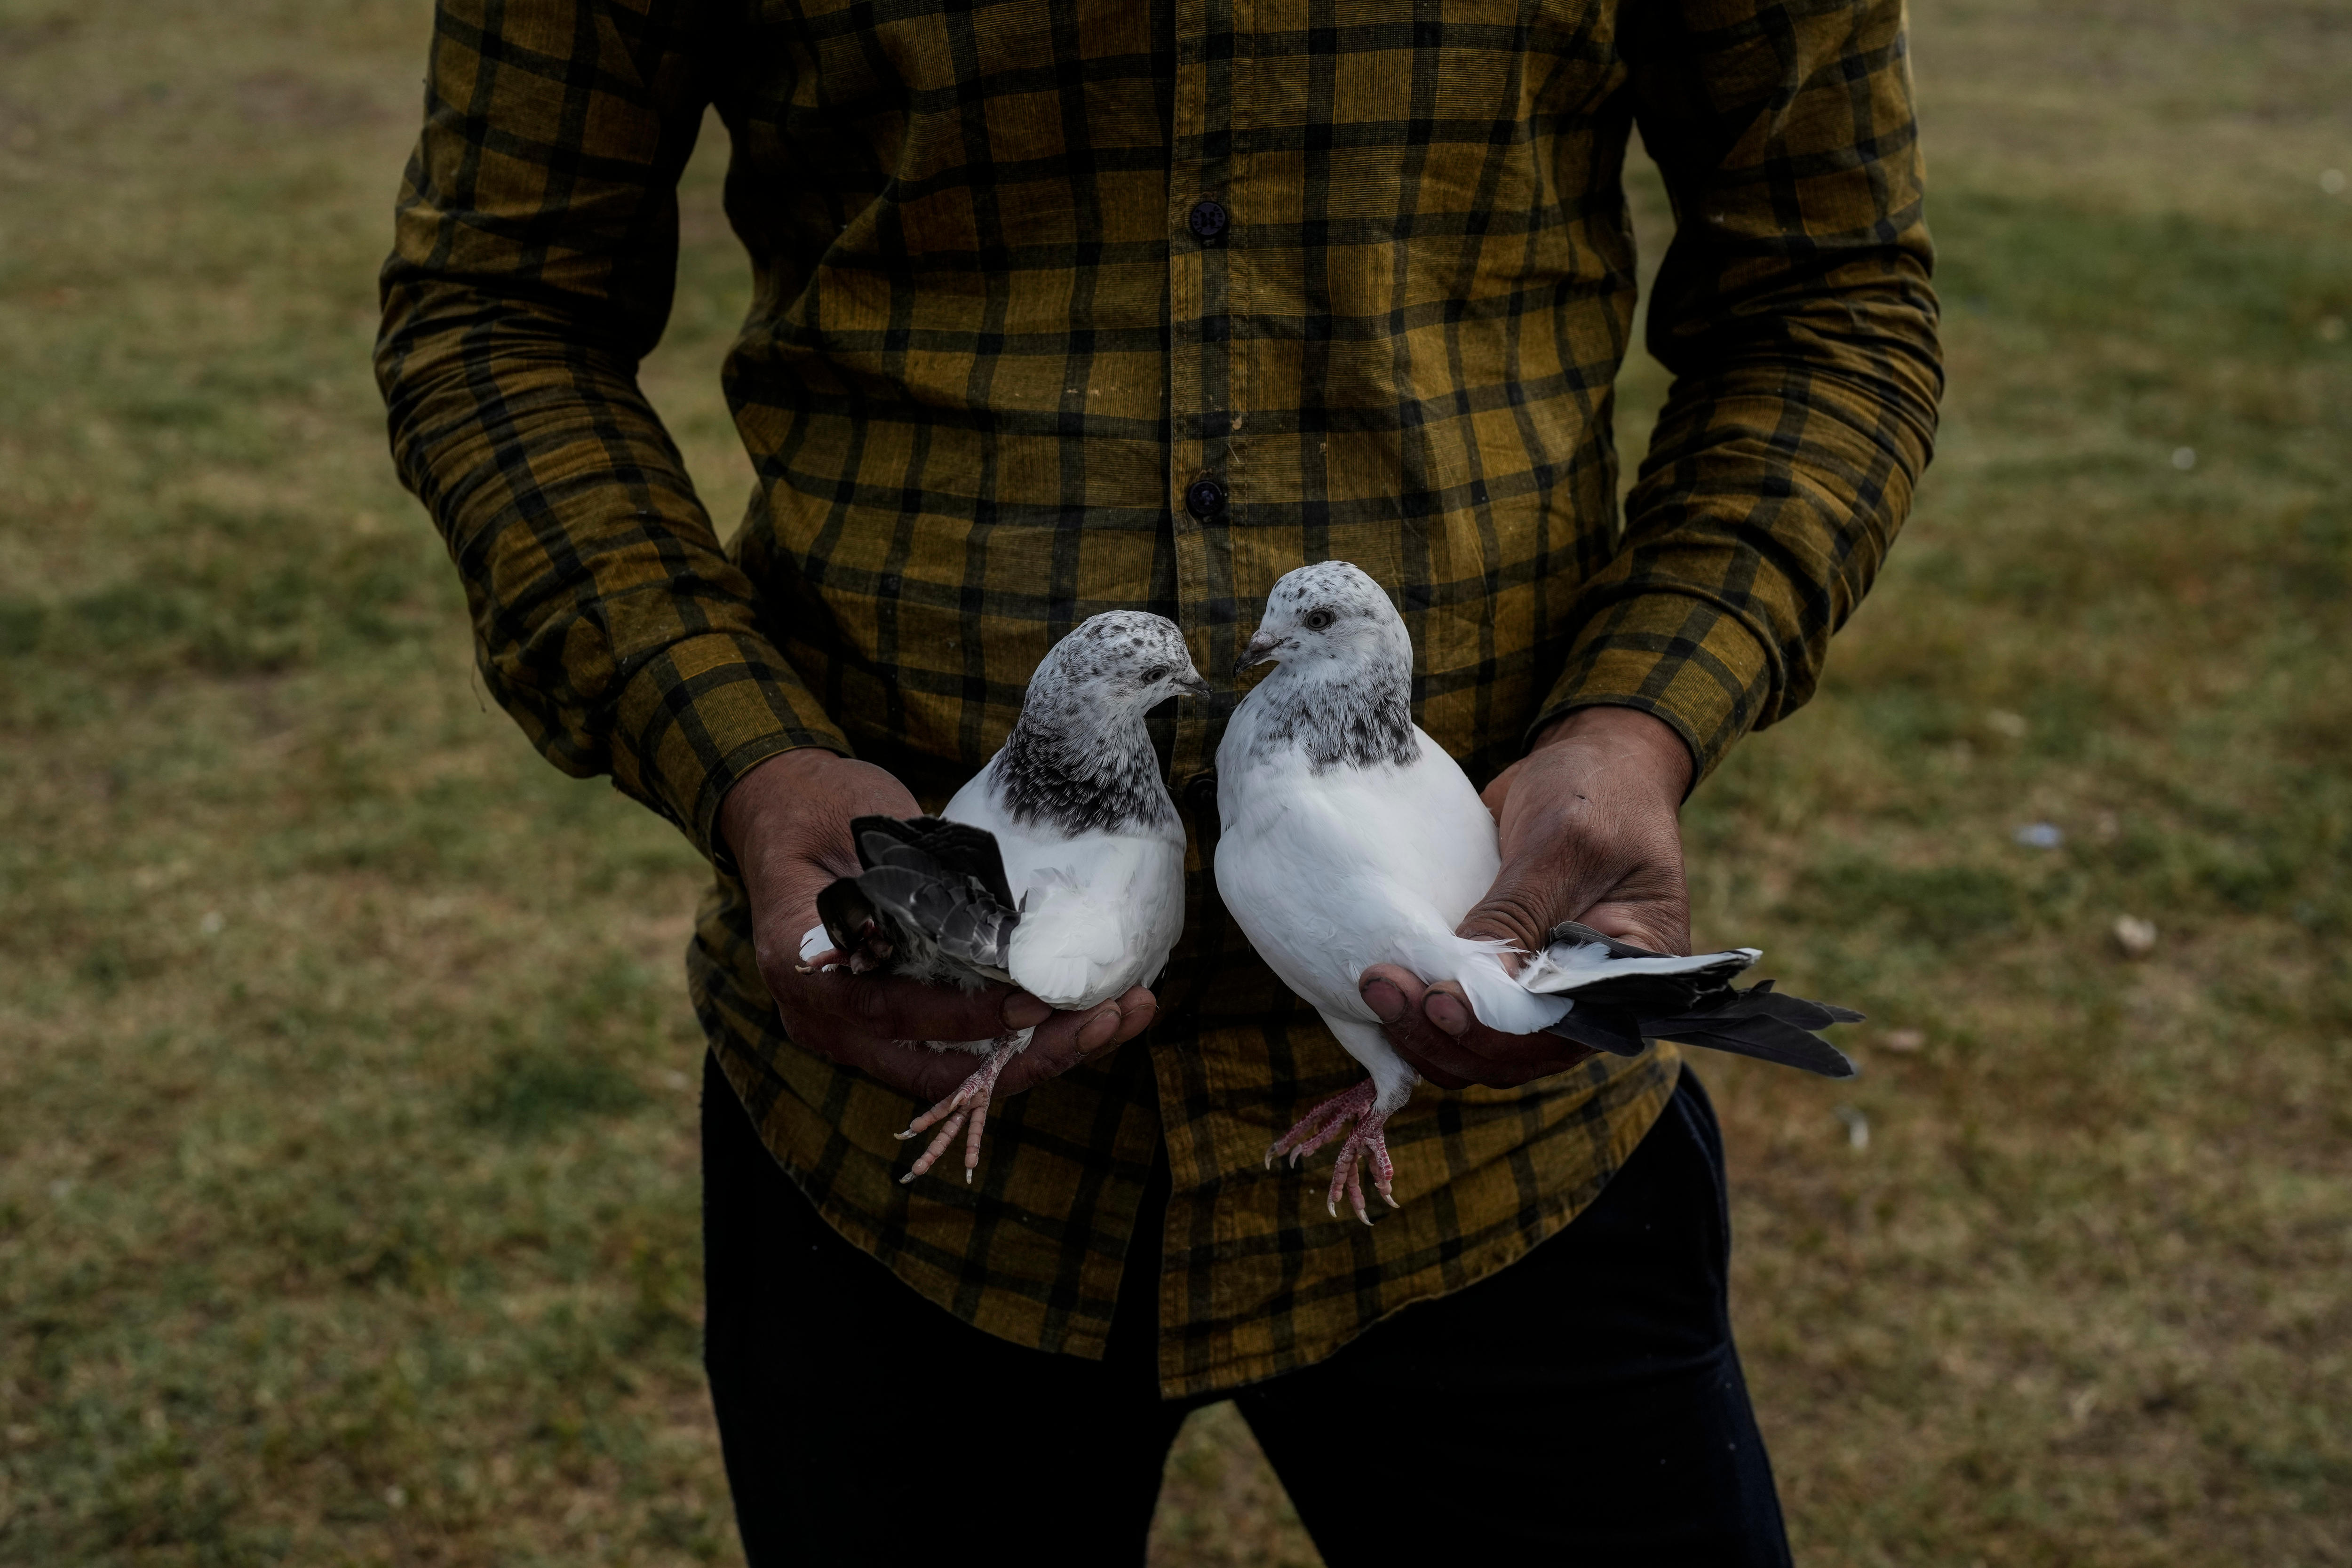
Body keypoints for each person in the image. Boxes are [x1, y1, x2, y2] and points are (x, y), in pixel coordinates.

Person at [377, 0, 1939, 1560]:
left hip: (1503, 1141)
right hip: (893, 1099)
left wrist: (1642, 723)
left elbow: (1828, 299)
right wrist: (746, 763)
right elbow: (498, 313)